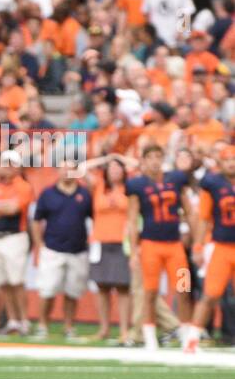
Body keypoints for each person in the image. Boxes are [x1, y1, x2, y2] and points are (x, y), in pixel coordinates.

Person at [126, 143, 191, 349]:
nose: (155, 161)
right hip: (150, 244)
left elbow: (189, 210)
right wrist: (134, 251)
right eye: (150, 157)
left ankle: (186, 333)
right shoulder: (136, 184)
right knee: (150, 292)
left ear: (163, 158)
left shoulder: (176, 179)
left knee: (183, 289)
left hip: (175, 245)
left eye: (158, 156)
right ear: (143, 161)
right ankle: (150, 336)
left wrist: (194, 237)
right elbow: (132, 218)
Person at [183, 144, 235, 353]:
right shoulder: (212, 183)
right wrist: (198, 245)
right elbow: (203, 218)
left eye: (234, 159)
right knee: (210, 294)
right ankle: (192, 339)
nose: (232, 163)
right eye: (228, 159)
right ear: (220, 163)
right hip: (221, 246)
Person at [32, 168, 93, 339]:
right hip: (52, 248)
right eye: (64, 168)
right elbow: (37, 220)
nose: (67, 172)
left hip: (78, 249)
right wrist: (39, 245)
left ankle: (69, 326)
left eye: (71, 169)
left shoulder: (84, 194)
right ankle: (43, 325)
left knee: (73, 291)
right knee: (48, 290)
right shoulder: (48, 193)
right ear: (58, 171)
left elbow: (94, 218)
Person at [0, 157, 34, 334]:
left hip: (15, 237)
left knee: (16, 281)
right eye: (5, 163)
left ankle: (24, 320)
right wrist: (0, 207)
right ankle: (13, 321)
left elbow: (14, 209)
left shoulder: (23, 186)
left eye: (11, 164)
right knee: (3, 282)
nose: (7, 167)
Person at [84, 155, 132, 343]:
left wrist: (121, 158)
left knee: (123, 288)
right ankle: (103, 328)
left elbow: (142, 167)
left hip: (122, 241)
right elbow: (80, 168)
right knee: (102, 287)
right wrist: (107, 158)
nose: (114, 171)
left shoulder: (130, 188)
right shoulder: (98, 187)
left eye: (118, 168)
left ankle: (124, 330)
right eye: (111, 168)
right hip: (100, 240)